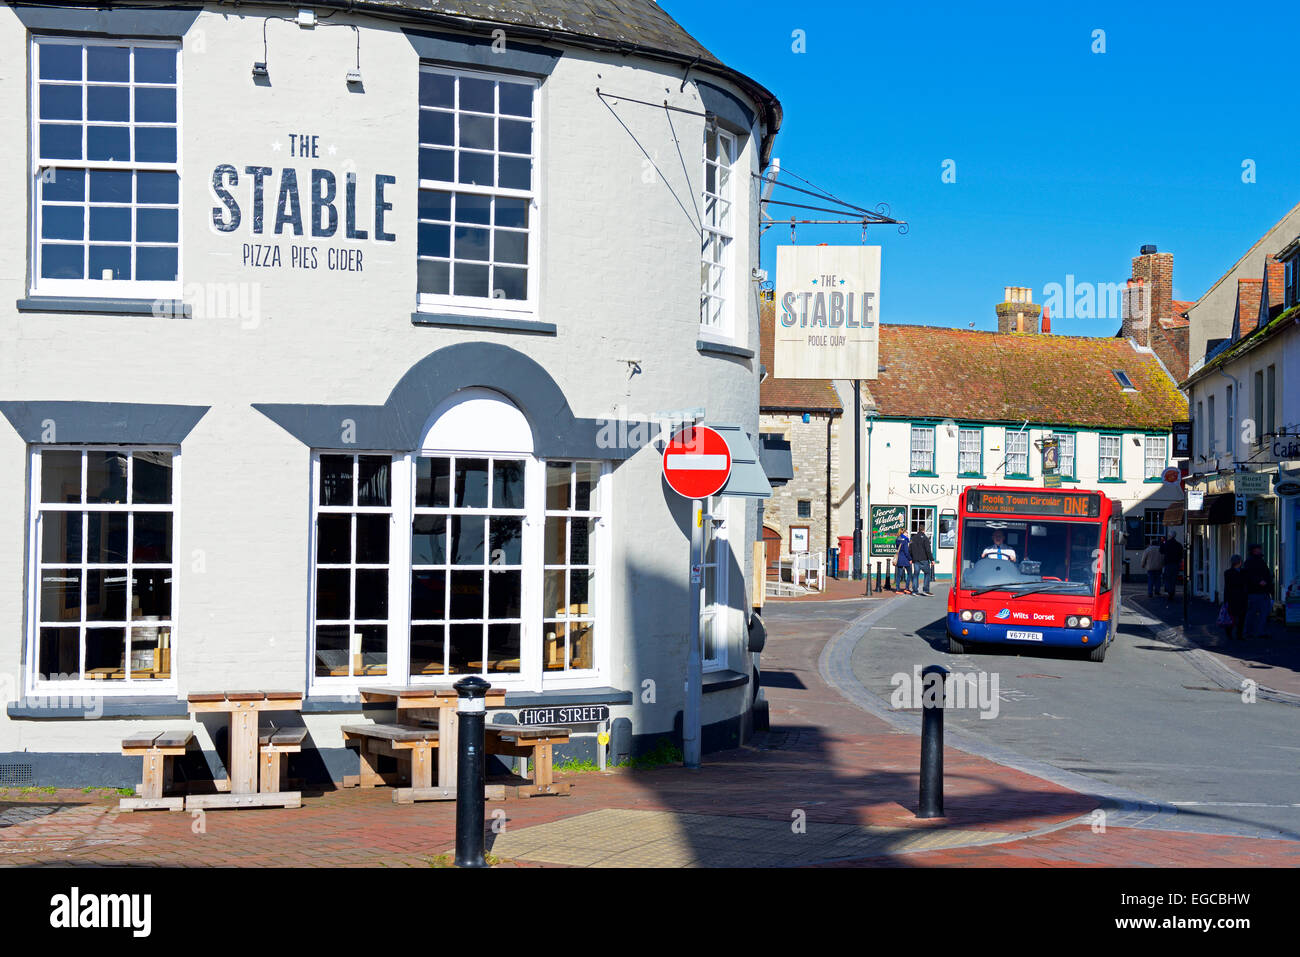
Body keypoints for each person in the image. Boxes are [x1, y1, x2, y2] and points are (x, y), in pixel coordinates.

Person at [1242, 543, 1274, 639]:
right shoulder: (1251, 562)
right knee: (1254, 612)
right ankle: (1252, 631)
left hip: (1261, 591)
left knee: (1261, 613)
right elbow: (1248, 576)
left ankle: (1257, 632)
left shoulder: (1257, 561)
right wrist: (1259, 581)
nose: (1260, 550)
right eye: (1258, 549)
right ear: (1253, 551)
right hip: (1255, 591)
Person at [1222, 554, 1248, 643]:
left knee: (1237, 617)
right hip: (1236, 597)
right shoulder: (1240, 573)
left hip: (1235, 597)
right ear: (1240, 562)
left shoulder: (1229, 572)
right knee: (1236, 616)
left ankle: (1234, 634)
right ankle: (1236, 634)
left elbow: (1227, 587)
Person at [1160, 532, 1184, 604]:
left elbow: (1161, 551)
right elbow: (1181, 555)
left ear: (1170, 536)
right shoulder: (1179, 545)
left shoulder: (1166, 544)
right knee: (1173, 579)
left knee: (1167, 578)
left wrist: (1162, 542)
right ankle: (1172, 592)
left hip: (1168, 564)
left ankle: (1169, 591)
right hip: (1176, 564)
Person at [911, 528, 935, 596]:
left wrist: (911, 558)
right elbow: (928, 550)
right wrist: (932, 559)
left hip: (916, 560)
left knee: (916, 575)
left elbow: (910, 548)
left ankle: (915, 591)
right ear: (924, 530)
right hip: (924, 559)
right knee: (927, 574)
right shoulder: (925, 538)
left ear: (918, 529)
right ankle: (926, 590)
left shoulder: (913, 538)